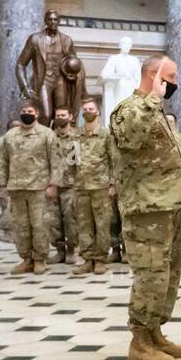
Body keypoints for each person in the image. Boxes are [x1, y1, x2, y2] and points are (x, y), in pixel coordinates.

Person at [110, 55, 181, 360]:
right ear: (153, 74)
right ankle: (139, 342)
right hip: (146, 210)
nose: (174, 83)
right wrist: (151, 101)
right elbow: (130, 140)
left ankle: (155, 332)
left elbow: (159, 163)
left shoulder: (160, 113)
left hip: (169, 206)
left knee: (167, 276)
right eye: (170, 76)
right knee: (150, 275)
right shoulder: (129, 109)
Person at [0, 101, 62, 275]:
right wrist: (1, 184)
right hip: (16, 187)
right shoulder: (10, 136)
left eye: (30, 111)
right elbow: (3, 161)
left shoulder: (47, 134)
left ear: (37, 114)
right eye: (24, 111)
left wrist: (53, 184)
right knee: (20, 226)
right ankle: (26, 259)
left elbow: (56, 161)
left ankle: (40, 259)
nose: (27, 113)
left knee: (39, 224)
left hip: (39, 187)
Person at [73, 99, 115, 275]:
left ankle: (100, 259)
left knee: (102, 224)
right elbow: (71, 161)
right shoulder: (76, 135)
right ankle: (87, 259)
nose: (87, 111)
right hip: (81, 187)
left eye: (91, 109)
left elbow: (114, 160)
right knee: (83, 225)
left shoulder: (106, 135)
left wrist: (113, 184)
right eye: (85, 109)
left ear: (98, 112)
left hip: (101, 186)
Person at [46, 107, 79, 265]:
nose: (60, 117)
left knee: (70, 219)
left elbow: (75, 162)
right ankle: (59, 251)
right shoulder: (49, 137)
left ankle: (71, 250)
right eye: (58, 115)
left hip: (69, 185)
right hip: (51, 186)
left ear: (70, 116)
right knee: (53, 221)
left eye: (63, 115)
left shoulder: (75, 138)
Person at [0, 117, 21, 243]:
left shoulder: (24, 140)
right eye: (13, 127)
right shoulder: (0, 142)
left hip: (24, 180)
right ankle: (8, 233)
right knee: (7, 208)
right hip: (6, 181)